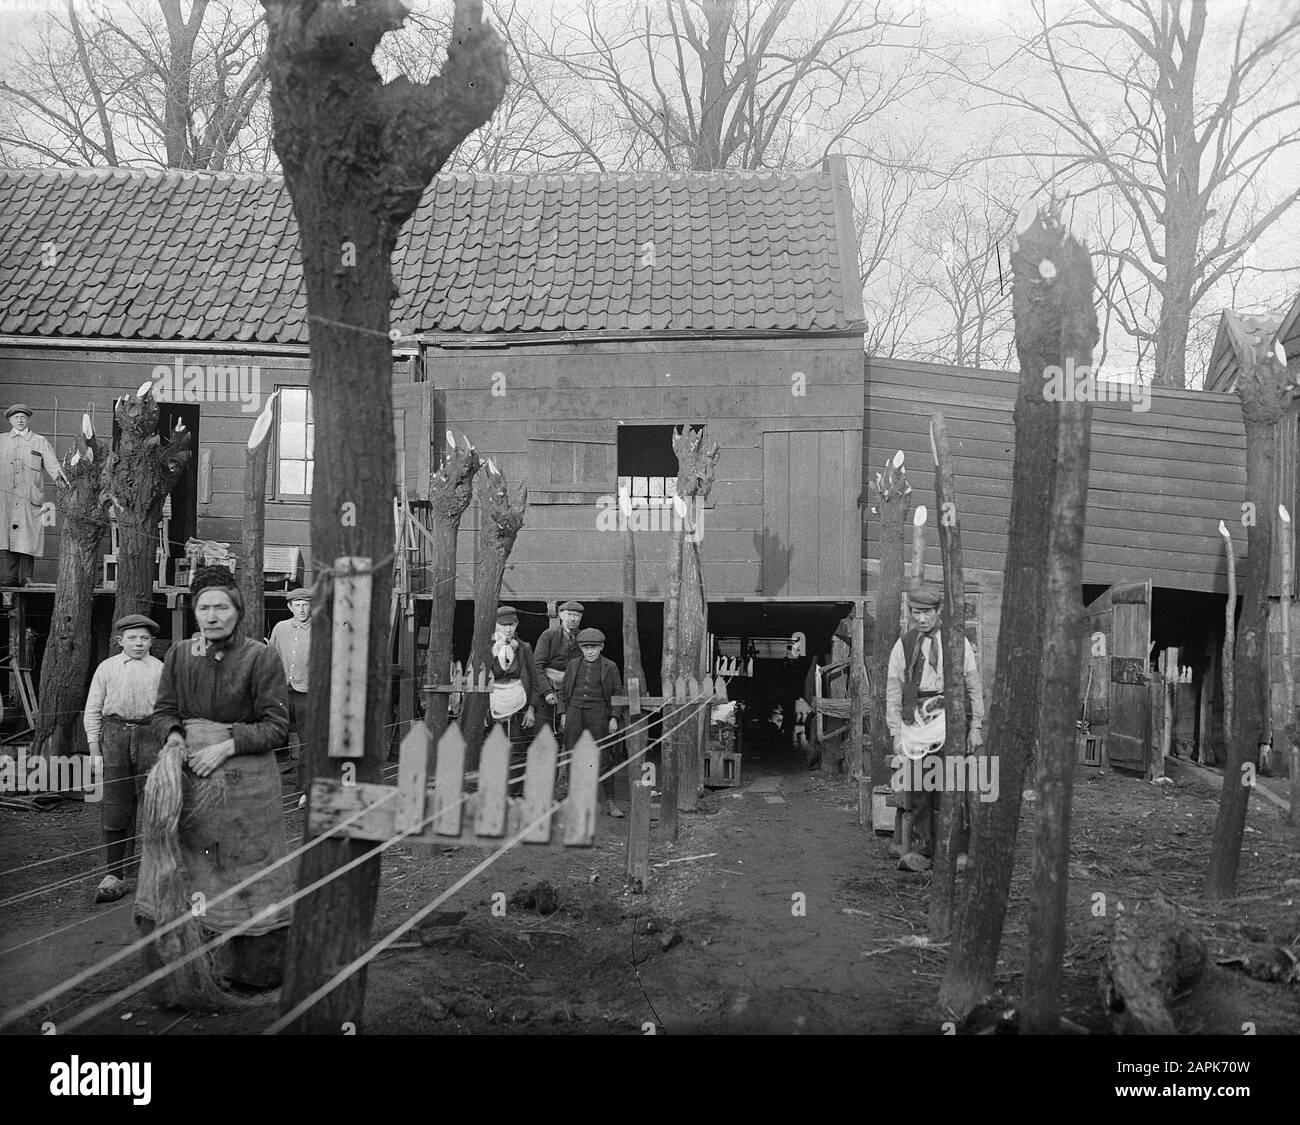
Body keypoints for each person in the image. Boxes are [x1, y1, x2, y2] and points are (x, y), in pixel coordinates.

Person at [139, 566, 292, 988]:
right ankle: (193, 969)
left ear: (237, 611)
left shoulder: (261, 657)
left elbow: (277, 726)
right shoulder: (179, 655)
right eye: (204, 608)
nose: (212, 616)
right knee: (190, 873)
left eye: (221, 607)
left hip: (248, 791)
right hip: (190, 785)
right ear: (195, 612)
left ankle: (253, 972)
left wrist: (226, 745)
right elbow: (165, 710)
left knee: (247, 874)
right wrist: (172, 740)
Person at [885, 582, 985, 872]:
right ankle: (921, 851)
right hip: (916, 721)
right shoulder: (904, 645)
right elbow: (894, 688)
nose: (921, 619)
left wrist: (976, 724)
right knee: (918, 787)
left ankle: (957, 851)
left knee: (952, 786)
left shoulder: (957, 641)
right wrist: (896, 731)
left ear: (939, 611)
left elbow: (972, 682)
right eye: (916, 613)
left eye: (927, 613)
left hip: (951, 718)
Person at [83, 614, 164, 904]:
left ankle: (156, 872)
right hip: (114, 736)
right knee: (116, 804)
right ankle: (114, 874)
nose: (139, 643)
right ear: (120, 641)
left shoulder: (160, 669)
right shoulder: (107, 668)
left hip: (150, 736)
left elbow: (169, 712)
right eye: (132, 638)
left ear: (152, 642)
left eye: (144, 638)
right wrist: (95, 752)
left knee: (156, 804)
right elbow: (92, 710)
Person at [558, 627, 626, 819]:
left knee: (604, 756)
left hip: (599, 715)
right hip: (575, 714)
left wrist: (614, 717)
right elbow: (563, 691)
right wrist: (563, 713)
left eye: (594, 647)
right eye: (586, 647)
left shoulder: (610, 666)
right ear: (580, 648)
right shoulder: (572, 664)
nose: (590, 651)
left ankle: (610, 802)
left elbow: (618, 693)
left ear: (601, 647)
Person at [1, 404, 65, 586]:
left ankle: (27, 576)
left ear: (27, 419)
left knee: (28, 537)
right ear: (10, 420)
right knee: (8, 536)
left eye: (22, 417)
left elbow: (53, 465)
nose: (19, 420)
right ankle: (10, 577)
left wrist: (64, 484)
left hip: (30, 499)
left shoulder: (39, 441)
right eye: (16, 417)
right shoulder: (2, 441)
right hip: (6, 499)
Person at [486, 606, 538, 796]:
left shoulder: (524, 648)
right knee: (495, 749)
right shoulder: (486, 647)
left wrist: (531, 709)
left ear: (516, 625)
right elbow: (476, 677)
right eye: (503, 625)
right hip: (494, 705)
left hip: (519, 705)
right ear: (496, 625)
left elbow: (534, 679)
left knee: (517, 752)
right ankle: (494, 794)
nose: (508, 629)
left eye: (512, 625)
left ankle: (514, 795)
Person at [268, 586, 312, 802]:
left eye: (305, 605)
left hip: (308, 693)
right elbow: (273, 657)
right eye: (297, 605)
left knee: (308, 742)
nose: (302, 610)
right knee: (270, 735)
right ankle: (265, 788)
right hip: (282, 692)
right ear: (289, 607)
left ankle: (304, 789)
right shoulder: (280, 628)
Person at [534, 600, 583, 732]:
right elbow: (537, 666)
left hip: (571, 693)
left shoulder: (582, 638)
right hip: (548, 692)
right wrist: (547, 691)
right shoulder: (549, 635)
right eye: (570, 614)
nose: (573, 619)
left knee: (570, 733)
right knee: (545, 733)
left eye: (577, 615)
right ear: (561, 615)